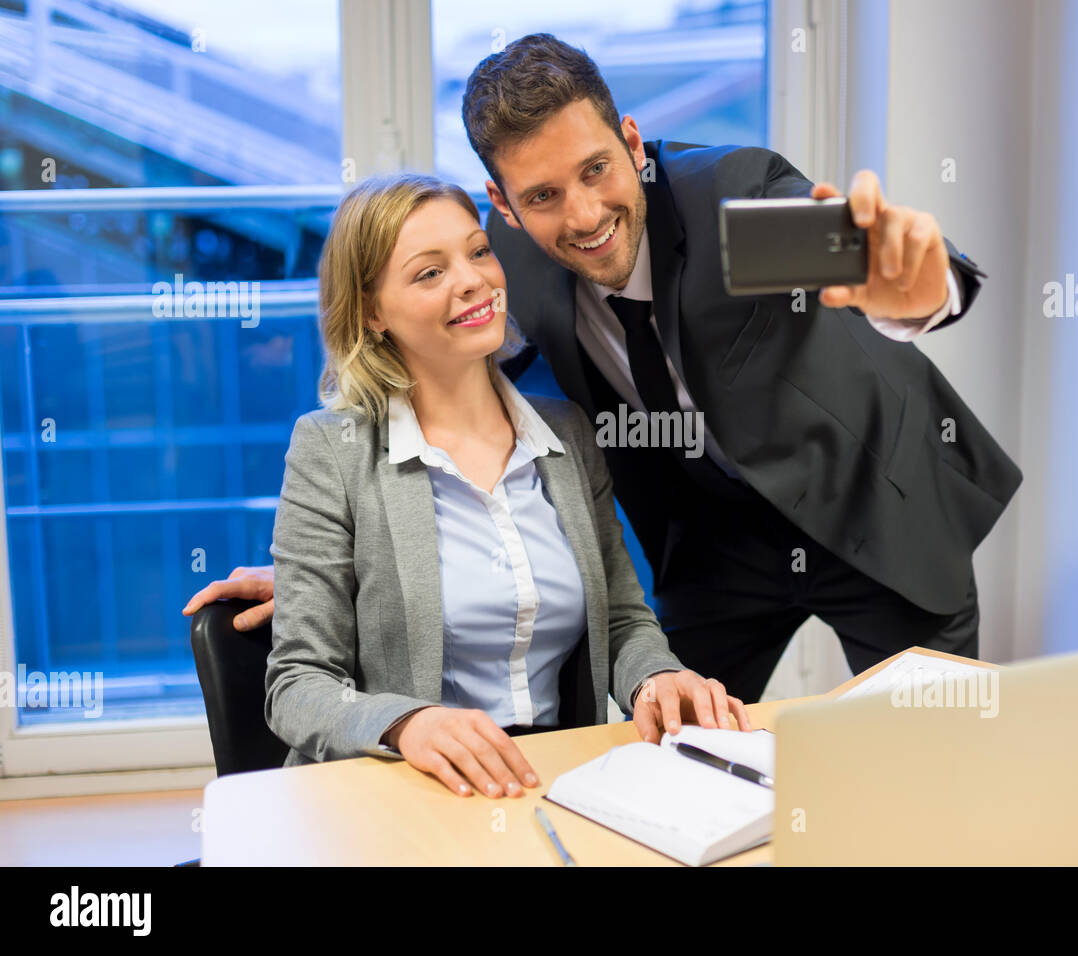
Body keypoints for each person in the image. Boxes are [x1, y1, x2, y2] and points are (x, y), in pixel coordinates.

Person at [187, 32, 1022, 707]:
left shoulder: (735, 198)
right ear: (504, 203)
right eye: (542, 196)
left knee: (935, 766)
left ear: (631, 143)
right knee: (684, 753)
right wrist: (334, 569)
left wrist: (918, 291)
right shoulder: (502, 260)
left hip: (870, 503)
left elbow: (880, 267)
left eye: (597, 170)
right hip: (716, 550)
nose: (584, 216)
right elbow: (419, 384)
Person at [256, 173, 750, 798]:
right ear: (372, 311)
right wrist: (408, 723)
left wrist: (657, 678)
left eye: (478, 251)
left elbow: (623, 619)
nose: (472, 280)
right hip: (405, 791)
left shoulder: (567, 433)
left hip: (552, 779)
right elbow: (298, 684)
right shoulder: (332, 449)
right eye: (429, 272)